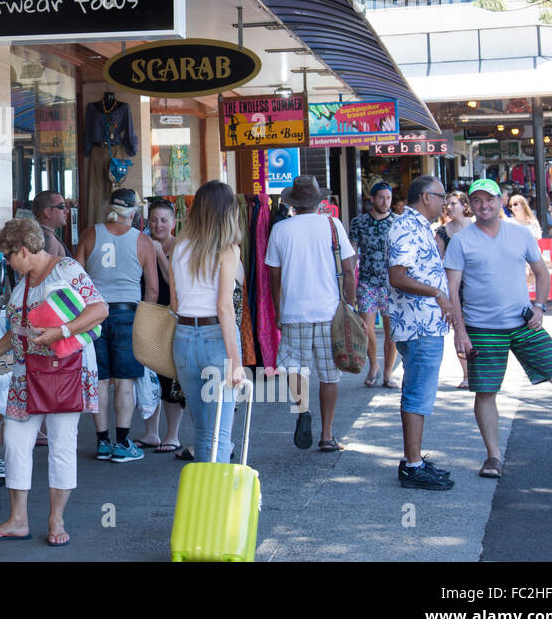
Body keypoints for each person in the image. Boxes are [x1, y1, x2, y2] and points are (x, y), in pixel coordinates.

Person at [445, 178, 552, 478]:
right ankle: (493, 457)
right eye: (478, 200)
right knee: (485, 392)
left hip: (524, 323)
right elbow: (452, 290)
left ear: (500, 201)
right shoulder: (461, 241)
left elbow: (541, 273)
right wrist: (460, 331)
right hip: (482, 328)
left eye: (489, 199)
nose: (484, 206)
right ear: (471, 205)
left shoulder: (520, 235)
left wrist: (540, 307)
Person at [0, 218, 108, 547]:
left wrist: (61, 332)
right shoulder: (25, 280)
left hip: (64, 371)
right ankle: (18, 520)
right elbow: (18, 327)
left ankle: (56, 518)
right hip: (26, 373)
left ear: (23, 250)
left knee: (61, 443)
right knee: (15, 442)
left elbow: (100, 308)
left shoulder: (67, 269)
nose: (6, 262)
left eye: (8, 255)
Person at [266, 175, 356, 453]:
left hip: (294, 312)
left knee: (296, 369)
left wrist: (278, 309)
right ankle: (327, 435)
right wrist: (349, 306)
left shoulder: (281, 229)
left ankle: (302, 409)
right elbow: (350, 269)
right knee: (330, 376)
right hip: (330, 312)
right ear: (318, 202)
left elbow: (273, 275)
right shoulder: (332, 225)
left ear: (293, 203)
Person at [76, 187, 158, 463]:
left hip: (94, 315)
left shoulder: (90, 234)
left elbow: (75, 279)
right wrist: (146, 322)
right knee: (124, 382)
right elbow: (154, 290)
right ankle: (122, 444)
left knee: (99, 381)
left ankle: (102, 443)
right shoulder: (143, 241)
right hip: (128, 314)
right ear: (134, 212)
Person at [386, 175, 455, 491]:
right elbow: (397, 277)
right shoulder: (404, 227)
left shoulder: (419, 227)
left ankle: (415, 459)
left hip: (425, 324)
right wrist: (437, 293)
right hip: (418, 326)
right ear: (426, 196)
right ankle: (412, 465)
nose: (445, 202)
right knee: (417, 393)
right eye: (441, 196)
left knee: (420, 393)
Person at [170, 181, 245, 462]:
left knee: (202, 430)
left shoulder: (180, 246)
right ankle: (219, 504)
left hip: (184, 339)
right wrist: (236, 362)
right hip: (216, 338)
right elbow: (224, 307)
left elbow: (175, 304)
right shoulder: (227, 250)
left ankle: (203, 502)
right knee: (219, 434)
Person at [133, 199, 191, 458]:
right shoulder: (142, 243)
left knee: (171, 375)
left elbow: (178, 284)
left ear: (173, 223)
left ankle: (172, 434)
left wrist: (158, 253)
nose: (158, 225)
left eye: (163, 220)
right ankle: (151, 431)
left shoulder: (181, 247)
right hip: (150, 314)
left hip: (175, 315)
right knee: (149, 371)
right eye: (153, 220)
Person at [349, 181, 398, 389]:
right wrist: (348, 283)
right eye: (381, 197)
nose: (385, 202)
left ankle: (388, 373)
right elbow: (351, 254)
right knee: (366, 328)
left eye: (388, 198)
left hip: (391, 283)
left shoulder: (397, 222)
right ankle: (374, 364)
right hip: (367, 281)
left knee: (392, 331)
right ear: (372, 198)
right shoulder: (359, 222)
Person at [435, 190, 473, 389]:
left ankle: (478, 370)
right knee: (459, 327)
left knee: (476, 328)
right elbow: (437, 260)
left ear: (465, 206)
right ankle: (466, 374)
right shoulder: (442, 231)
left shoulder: (475, 227)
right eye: (447, 204)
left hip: (475, 283)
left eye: (454, 204)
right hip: (454, 284)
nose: (449, 207)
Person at [32, 190, 69, 258]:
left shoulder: (36, 234)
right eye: (62, 206)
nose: (66, 211)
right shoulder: (48, 237)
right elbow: (46, 268)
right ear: (47, 212)